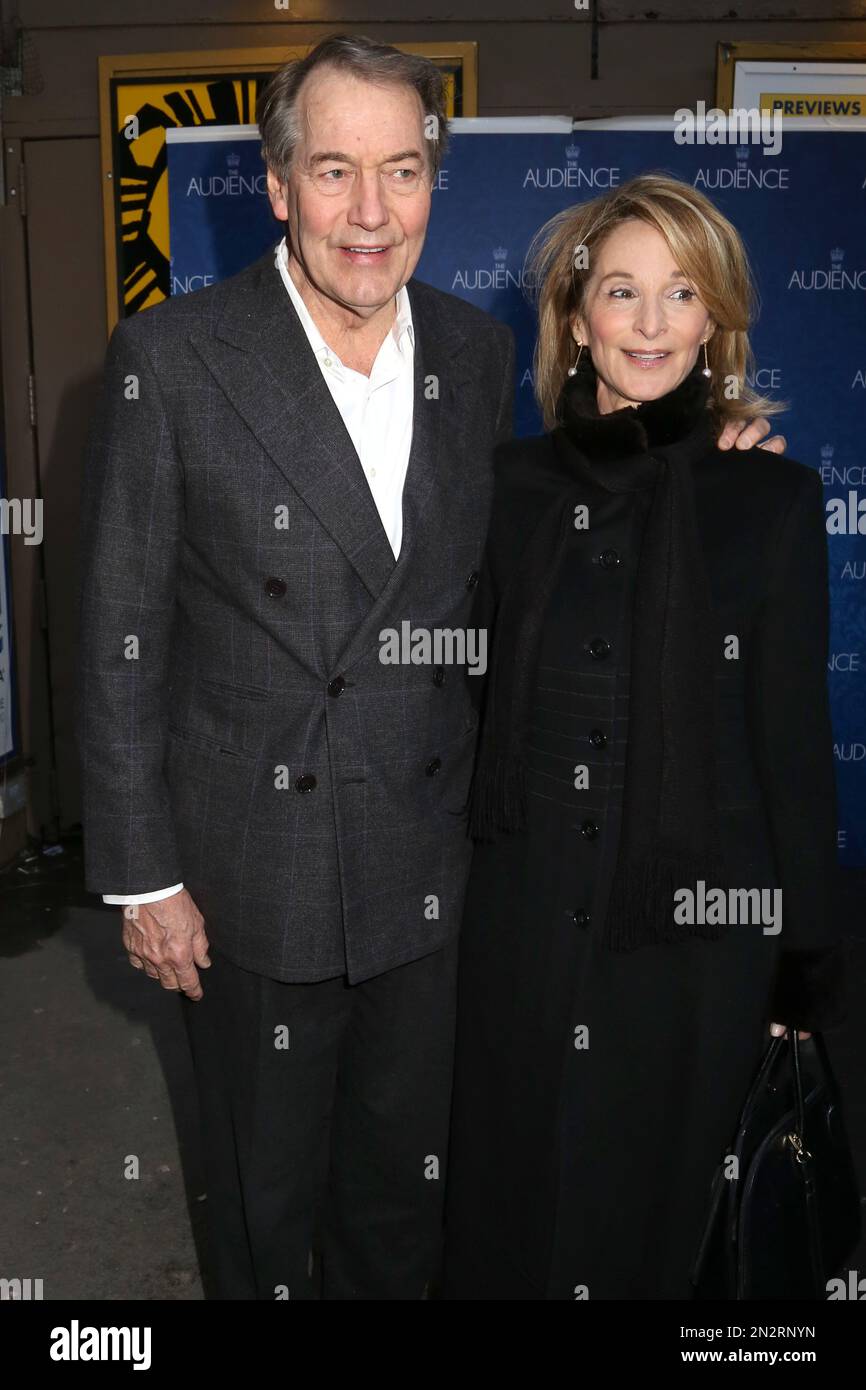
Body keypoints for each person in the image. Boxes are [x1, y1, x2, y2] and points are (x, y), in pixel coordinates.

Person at [77, 34, 785, 1299]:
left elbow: (553, 526)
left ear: (431, 182)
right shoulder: (173, 361)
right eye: (336, 170)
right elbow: (121, 629)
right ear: (280, 183)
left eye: (400, 171)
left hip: (432, 868)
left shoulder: (471, 354)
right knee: (263, 1207)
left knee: (402, 1209)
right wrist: (144, 880)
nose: (369, 212)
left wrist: (704, 440)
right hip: (250, 880)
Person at [441, 173, 846, 1301]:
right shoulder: (503, 488)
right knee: (509, 1210)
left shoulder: (769, 498)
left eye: (679, 293)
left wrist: (801, 957)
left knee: (658, 1226)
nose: (652, 322)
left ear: (713, 318)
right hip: (518, 925)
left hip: (693, 934)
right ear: (577, 320)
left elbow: (789, 742)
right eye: (622, 291)